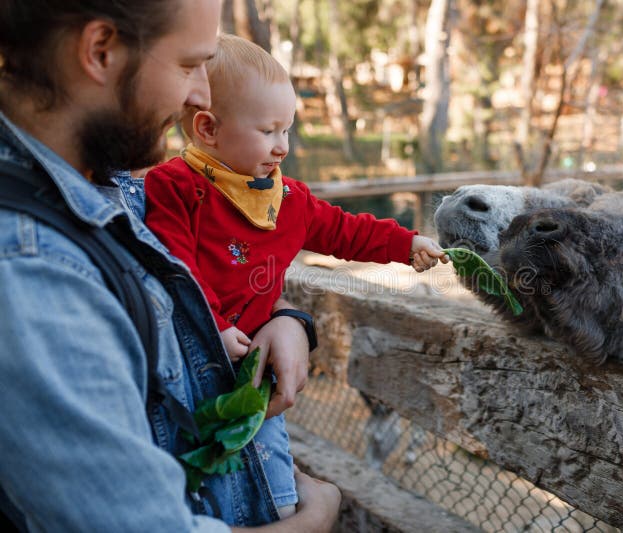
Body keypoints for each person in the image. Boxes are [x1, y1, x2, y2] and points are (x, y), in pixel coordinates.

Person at [0, 1, 340, 531]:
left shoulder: (112, 194)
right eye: (188, 65)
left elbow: (198, 275)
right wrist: (315, 522)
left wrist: (285, 316)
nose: (201, 95)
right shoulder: (31, 272)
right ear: (101, 51)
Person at [144, 34, 447, 519]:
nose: (283, 147)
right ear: (208, 129)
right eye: (268, 132)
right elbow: (172, 263)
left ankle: (281, 511)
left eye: (287, 131)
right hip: (192, 364)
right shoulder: (175, 188)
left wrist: (404, 244)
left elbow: (343, 230)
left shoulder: (287, 200)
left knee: (269, 460)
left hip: (255, 370)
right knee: (199, 468)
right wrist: (213, 326)